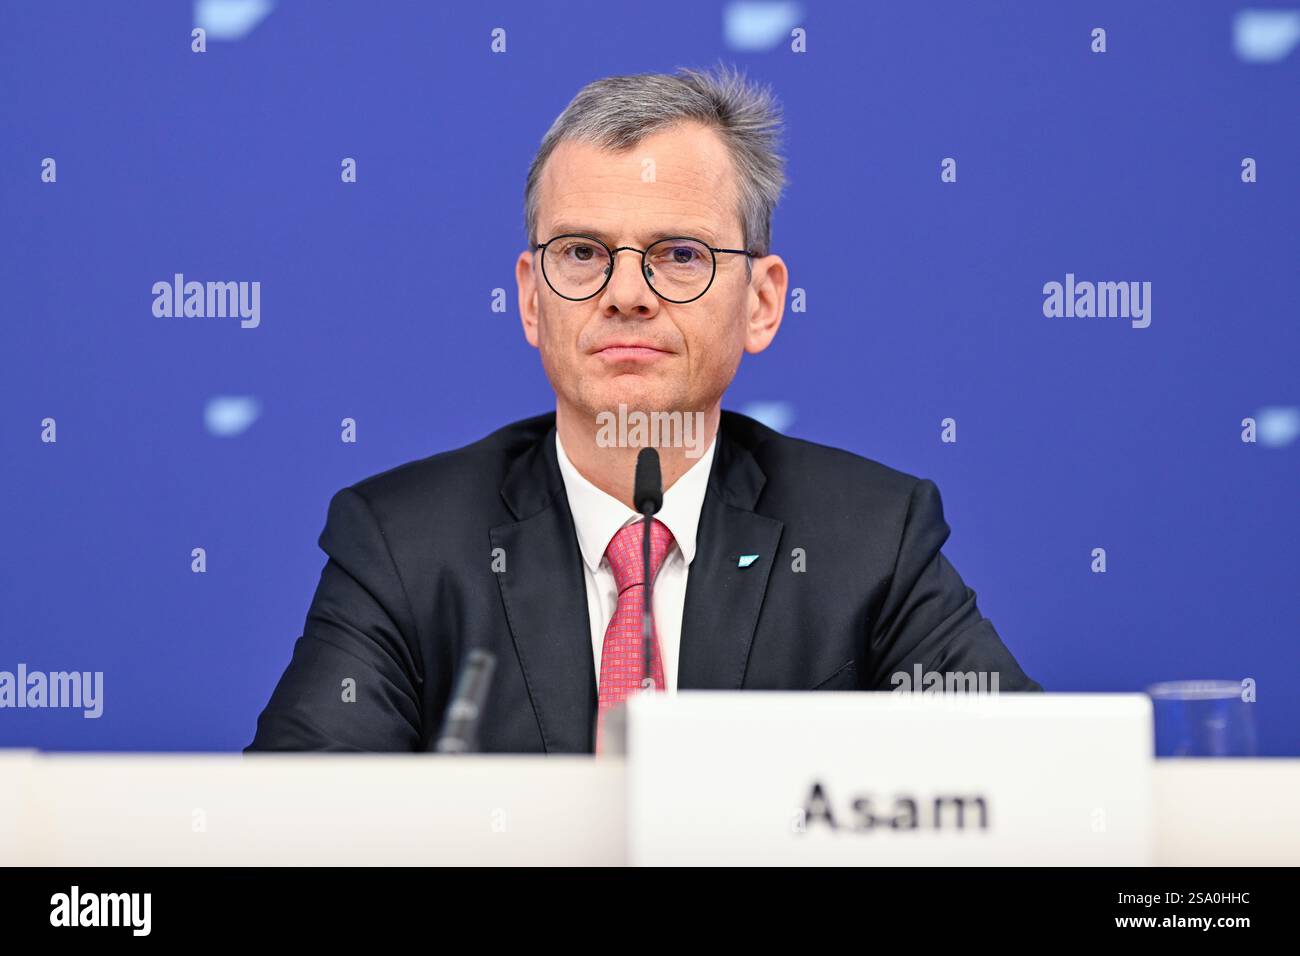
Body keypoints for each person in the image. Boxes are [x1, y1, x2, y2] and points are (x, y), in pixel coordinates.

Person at [247, 65, 1040, 754]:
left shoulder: (872, 540)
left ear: (762, 303)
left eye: (679, 255)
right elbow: (295, 828)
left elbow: (1029, 796)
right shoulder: (402, 545)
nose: (627, 294)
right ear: (530, 299)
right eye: (583, 253)